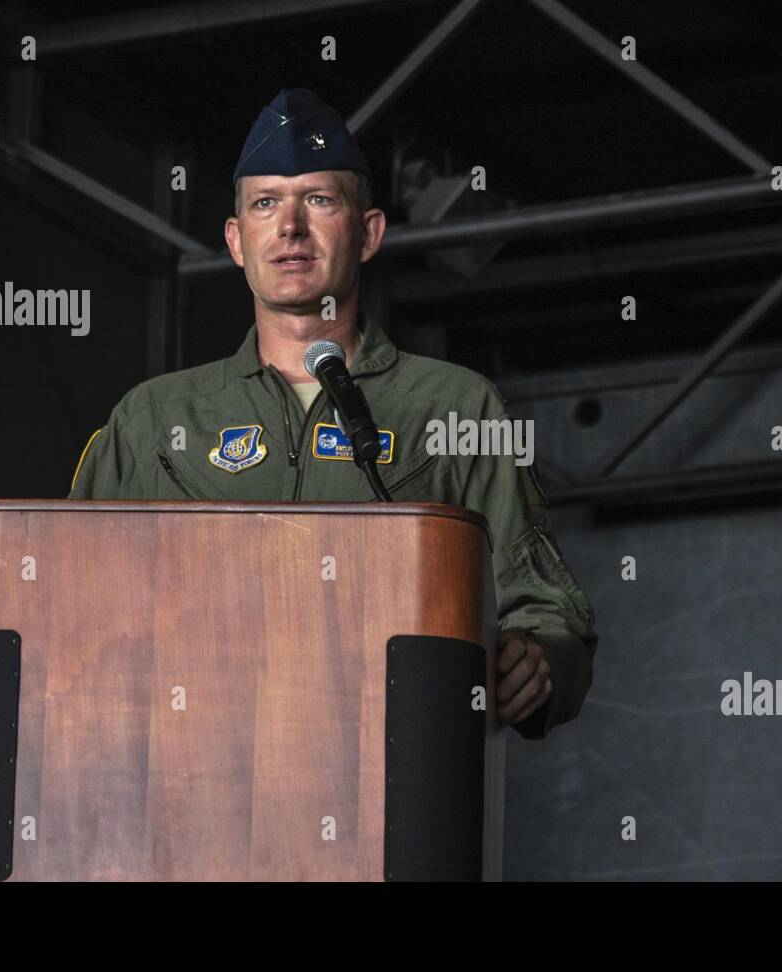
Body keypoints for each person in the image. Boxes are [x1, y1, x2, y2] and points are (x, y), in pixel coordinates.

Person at [67, 88, 596, 739]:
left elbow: (545, 608)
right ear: (236, 240)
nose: (289, 227)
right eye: (265, 204)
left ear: (369, 232)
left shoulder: (455, 406)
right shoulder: (153, 419)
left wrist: (539, 659)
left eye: (318, 200)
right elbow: (71, 607)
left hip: (393, 783)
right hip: (188, 786)